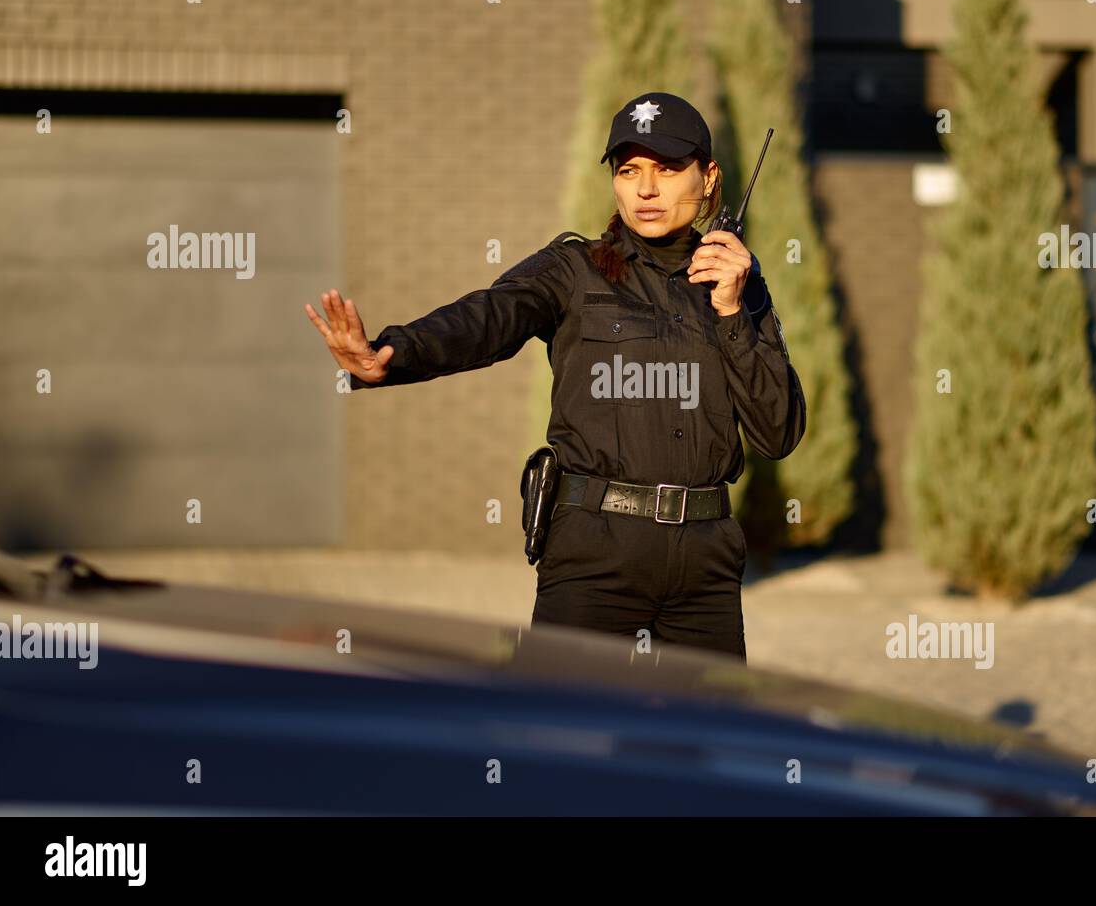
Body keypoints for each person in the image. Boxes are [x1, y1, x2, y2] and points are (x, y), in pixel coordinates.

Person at [304, 91, 806, 662]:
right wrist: (392, 351)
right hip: (593, 557)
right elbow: (490, 317)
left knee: (702, 746)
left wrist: (733, 313)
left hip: (706, 564)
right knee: (570, 741)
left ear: (709, 177)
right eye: (629, 170)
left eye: (666, 169)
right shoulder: (574, 269)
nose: (645, 188)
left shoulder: (738, 285)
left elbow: (778, 433)